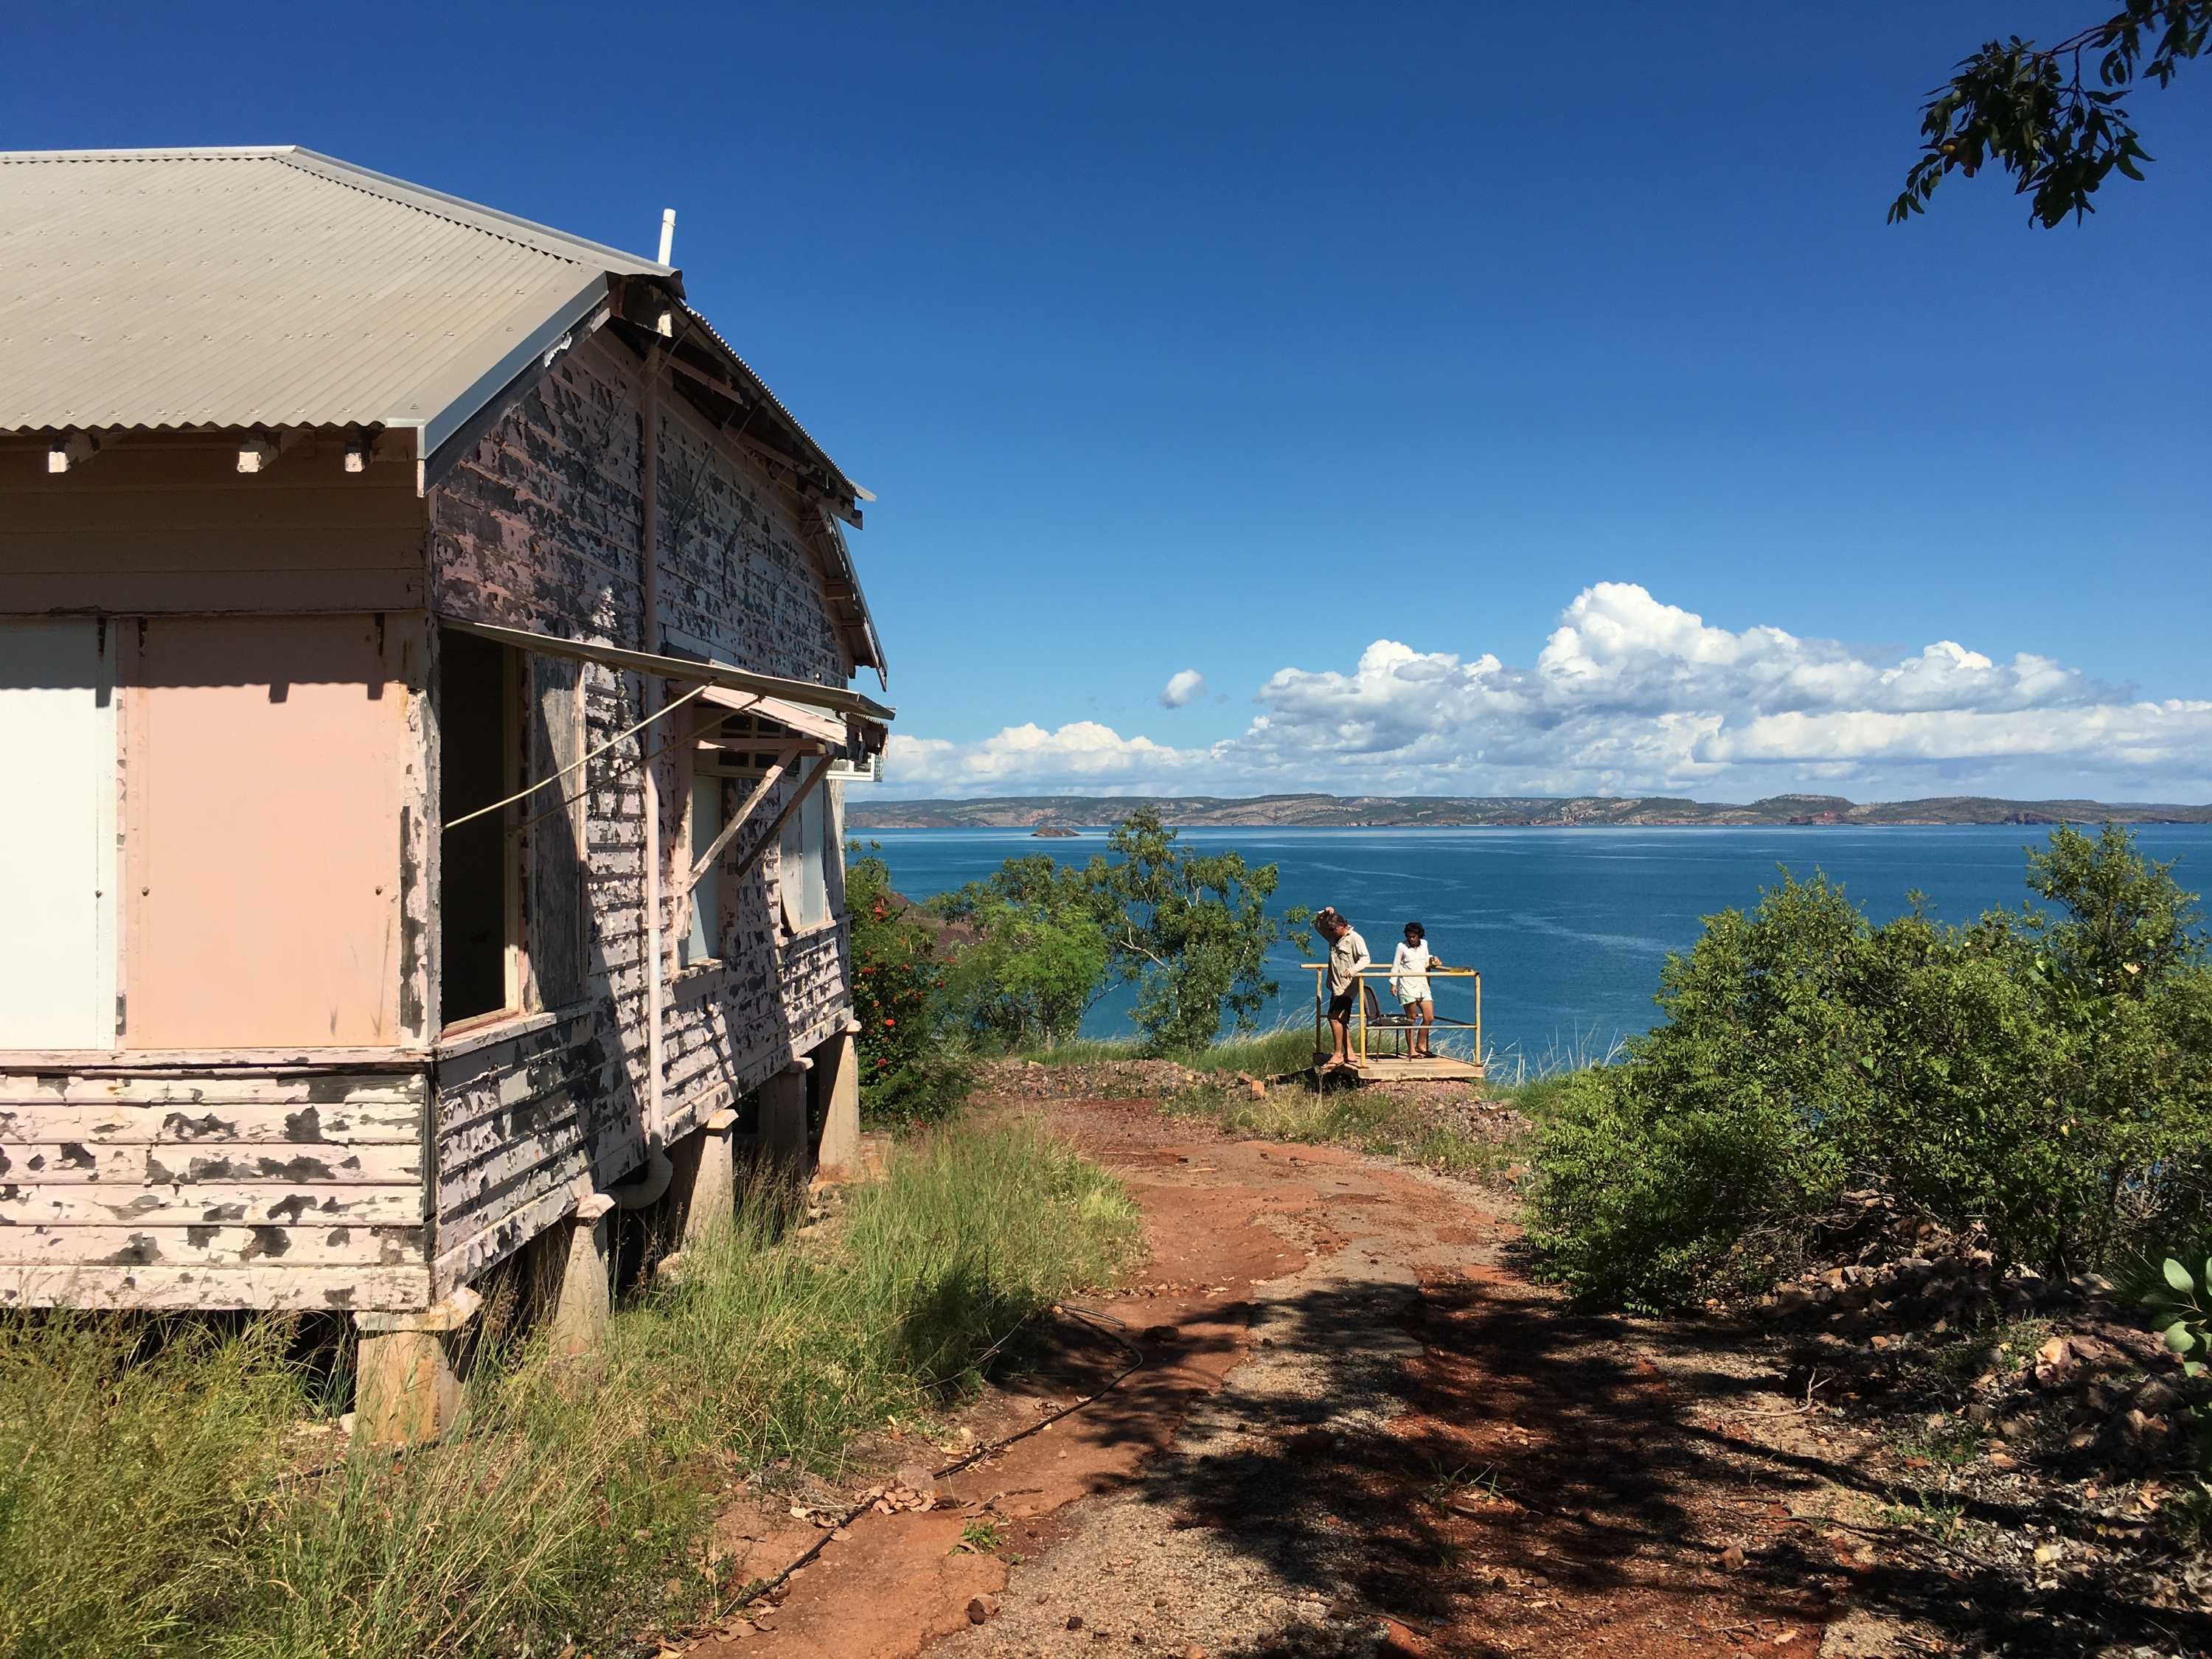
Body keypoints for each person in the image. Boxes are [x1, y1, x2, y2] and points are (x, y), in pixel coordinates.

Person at [1314, 907, 1370, 1071]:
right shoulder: (1333, 937)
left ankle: (1338, 1054)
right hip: (1336, 986)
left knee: (1334, 1018)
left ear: (1342, 926)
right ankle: (1350, 1053)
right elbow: (1318, 926)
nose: (1330, 931)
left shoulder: (1355, 938)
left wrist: (1352, 970)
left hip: (1348, 987)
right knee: (1341, 1019)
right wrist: (1323, 915)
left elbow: (1366, 958)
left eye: (1333, 929)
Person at [1391, 921, 1437, 1058]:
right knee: (1411, 1018)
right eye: (1410, 936)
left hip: (1423, 986)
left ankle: (1421, 1045)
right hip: (1407, 986)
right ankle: (1411, 1049)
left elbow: (1426, 958)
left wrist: (1433, 960)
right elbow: (1396, 965)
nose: (1412, 939)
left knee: (1429, 1017)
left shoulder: (1424, 944)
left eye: (1414, 936)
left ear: (1419, 936)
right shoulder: (1401, 946)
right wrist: (1393, 983)